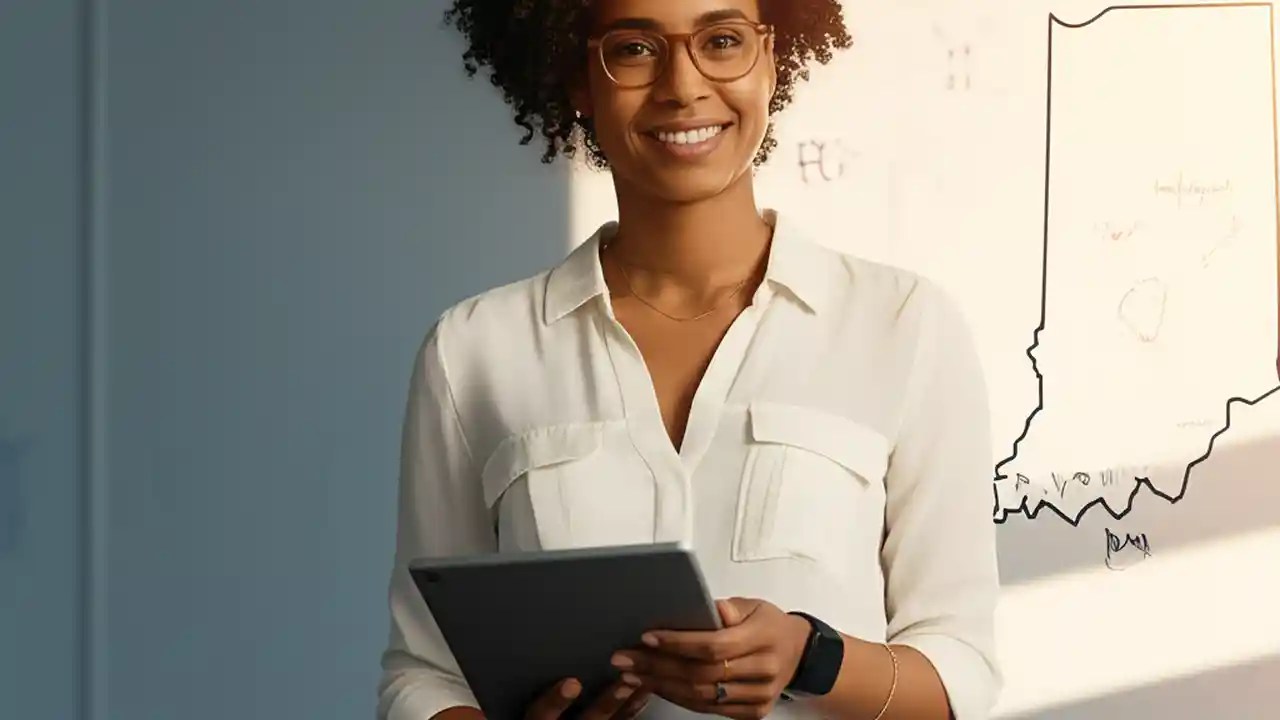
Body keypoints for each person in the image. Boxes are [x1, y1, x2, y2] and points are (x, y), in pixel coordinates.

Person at [377, 0, 1001, 718]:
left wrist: (810, 655)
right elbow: (422, 675)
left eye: (724, 40)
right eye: (635, 48)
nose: (683, 84)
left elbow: (963, 677)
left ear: (771, 60)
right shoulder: (475, 350)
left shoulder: (904, 326)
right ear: (578, 78)